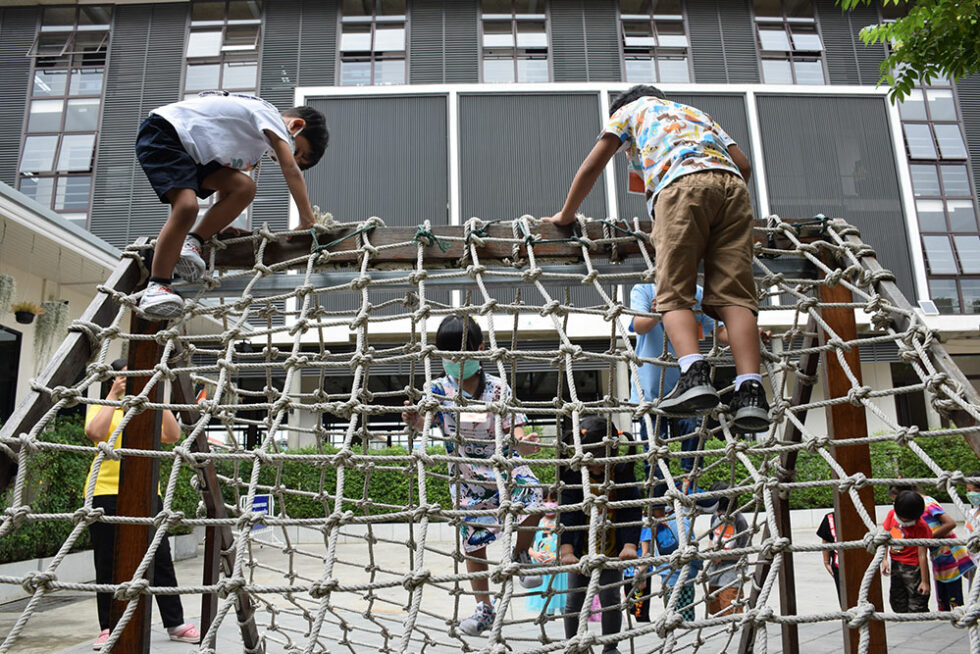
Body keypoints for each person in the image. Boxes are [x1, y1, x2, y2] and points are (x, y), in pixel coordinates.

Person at [544, 84, 769, 433]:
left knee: (672, 288)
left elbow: (593, 164)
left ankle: (693, 373)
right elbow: (742, 163)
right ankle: (750, 389)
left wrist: (566, 214)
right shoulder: (698, 114)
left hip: (679, 187)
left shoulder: (630, 111)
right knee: (736, 296)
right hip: (734, 190)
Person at [401, 315, 543, 637]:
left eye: (462, 355)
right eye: (448, 356)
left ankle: (521, 552)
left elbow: (515, 431)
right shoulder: (436, 389)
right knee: (472, 540)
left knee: (533, 490)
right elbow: (427, 426)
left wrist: (525, 443)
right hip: (465, 471)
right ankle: (484, 609)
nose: (455, 362)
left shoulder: (497, 388)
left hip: (502, 464)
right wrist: (414, 421)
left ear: (480, 350)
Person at [135, 91, 328, 318]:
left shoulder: (251, 148)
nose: (291, 158)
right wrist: (307, 219)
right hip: (166, 134)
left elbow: (227, 185)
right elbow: (291, 171)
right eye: (298, 153)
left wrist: (220, 226)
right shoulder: (268, 115)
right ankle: (157, 284)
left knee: (244, 187)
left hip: (192, 153)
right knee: (187, 207)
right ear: (296, 126)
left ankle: (192, 241)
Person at [84, 359, 200, 649]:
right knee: (107, 562)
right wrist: (114, 395)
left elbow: (172, 436)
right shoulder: (102, 402)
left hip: (147, 491)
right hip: (104, 491)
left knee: (160, 559)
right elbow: (95, 434)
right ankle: (107, 626)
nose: (131, 381)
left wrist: (156, 397)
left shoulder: (149, 408)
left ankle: (175, 623)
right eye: (126, 377)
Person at [558, 416, 640, 654]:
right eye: (590, 460)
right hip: (581, 551)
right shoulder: (575, 476)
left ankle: (610, 647)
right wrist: (566, 549)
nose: (594, 467)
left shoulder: (622, 473)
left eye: (599, 461)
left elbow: (632, 510)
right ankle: (575, 645)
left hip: (611, 551)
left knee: (610, 598)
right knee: (574, 600)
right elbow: (568, 514)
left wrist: (629, 545)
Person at [889, 484, 974, 610]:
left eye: (896, 501)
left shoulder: (927, 504)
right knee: (942, 595)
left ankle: (960, 617)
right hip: (937, 555)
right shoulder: (909, 512)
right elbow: (894, 532)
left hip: (949, 553)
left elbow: (950, 523)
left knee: (954, 595)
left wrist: (927, 538)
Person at [881, 490, 932, 613]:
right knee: (897, 599)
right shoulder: (892, 515)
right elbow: (885, 537)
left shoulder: (921, 527)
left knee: (917, 602)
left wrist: (924, 581)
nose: (903, 522)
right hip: (896, 563)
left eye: (907, 520)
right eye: (901, 518)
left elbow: (922, 555)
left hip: (913, 567)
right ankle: (903, 621)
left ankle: (918, 622)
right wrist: (884, 559)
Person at [648, 506, 701, 622]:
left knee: (672, 615)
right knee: (683, 617)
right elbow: (690, 546)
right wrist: (699, 563)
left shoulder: (654, 523)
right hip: (681, 576)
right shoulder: (679, 520)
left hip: (669, 576)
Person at [706, 481, 749, 617]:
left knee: (729, 606)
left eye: (722, 510)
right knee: (714, 607)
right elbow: (711, 538)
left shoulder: (739, 521)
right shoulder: (714, 518)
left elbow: (744, 550)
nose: (719, 514)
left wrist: (722, 556)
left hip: (732, 570)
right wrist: (711, 550)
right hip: (714, 570)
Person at [525, 496, 567, 617]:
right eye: (545, 500)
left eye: (553, 500)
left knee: (564, 602)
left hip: (560, 570)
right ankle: (548, 624)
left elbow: (568, 545)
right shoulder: (536, 522)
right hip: (541, 568)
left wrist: (558, 557)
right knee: (546, 604)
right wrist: (534, 554)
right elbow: (527, 546)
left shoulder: (562, 523)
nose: (549, 504)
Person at [816, 511, 842, 604]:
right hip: (839, 565)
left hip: (860, 564)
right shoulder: (830, 518)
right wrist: (826, 562)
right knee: (844, 599)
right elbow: (825, 540)